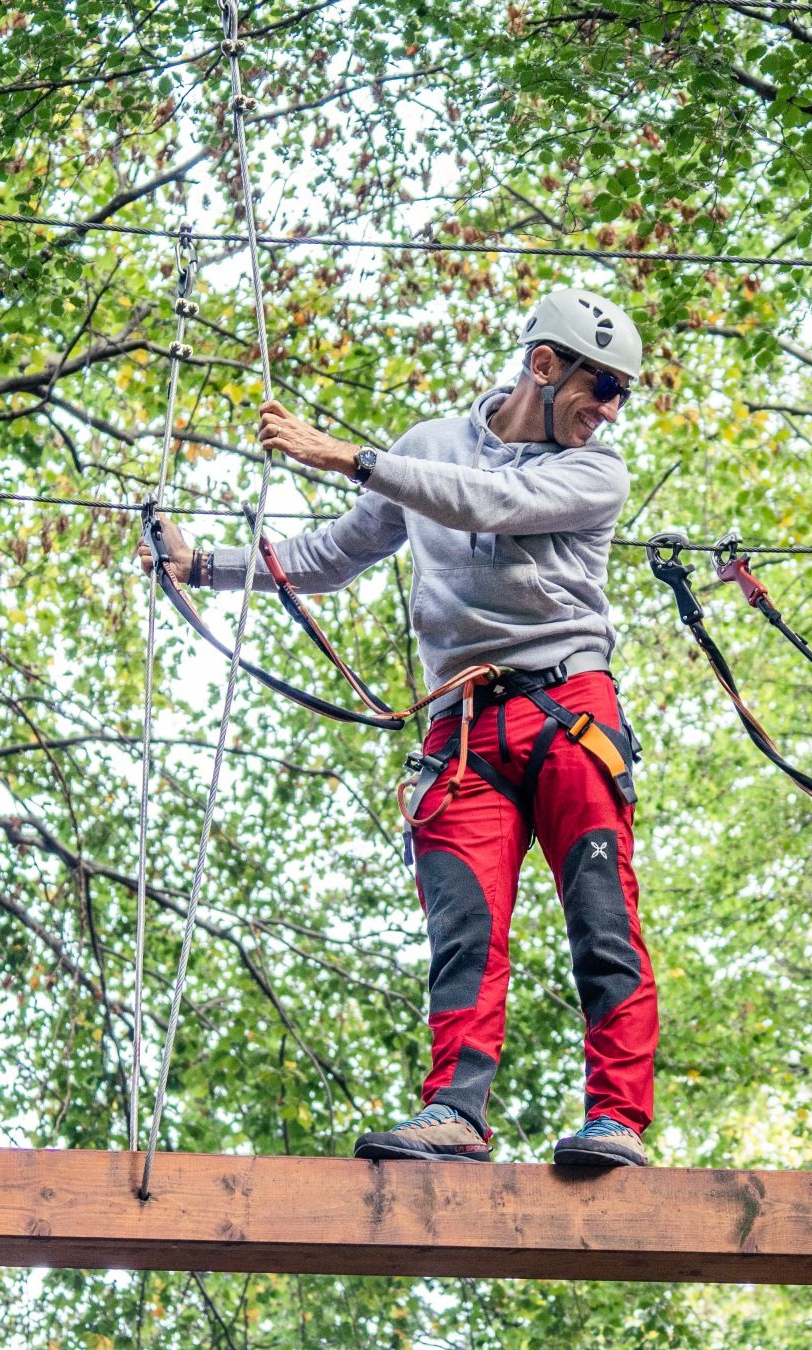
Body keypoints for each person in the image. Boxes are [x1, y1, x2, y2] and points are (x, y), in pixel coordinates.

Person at [138, 287, 659, 1168]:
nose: (608, 410)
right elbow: (328, 555)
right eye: (600, 386)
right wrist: (205, 566)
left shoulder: (594, 471)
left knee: (602, 920)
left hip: (571, 714)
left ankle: (617, 1119)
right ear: (545, 365)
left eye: (621, 396)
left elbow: (484, 502)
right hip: (462, 731)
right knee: (462, 931)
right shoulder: (428, 448)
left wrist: (346, 455)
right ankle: (454, 1112)